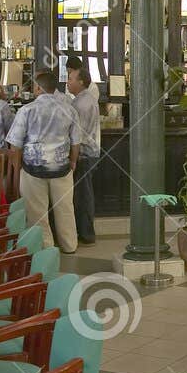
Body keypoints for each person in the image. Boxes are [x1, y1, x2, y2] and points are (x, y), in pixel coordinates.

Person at [8, 71, 81, 254]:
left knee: (37, 212)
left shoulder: (27, 110)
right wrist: (73, 162)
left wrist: (16, 169)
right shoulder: (70, 109)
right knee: (65, 209)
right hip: (61, 168)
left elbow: (15, 145)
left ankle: (46, 247)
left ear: (38, 87)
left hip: (33, 170)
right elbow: (76, 141)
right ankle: (69, 245)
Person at [67, 64, 101, 245]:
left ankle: (86, 234)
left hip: (85, 155)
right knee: (81, 195)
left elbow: (77, 135)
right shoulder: (82, 100)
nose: (68, 82)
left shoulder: (82, 103)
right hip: (86, 154)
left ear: (81, 82)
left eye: (71, 78)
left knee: (83, 196)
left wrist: (73, 157)